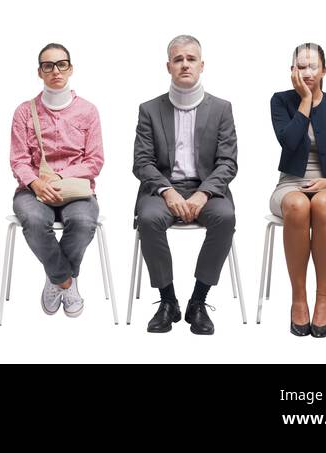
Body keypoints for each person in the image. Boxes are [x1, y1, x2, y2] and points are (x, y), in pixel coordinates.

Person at [133, 35, 238, 335]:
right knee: (150, 219)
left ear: (202, 65)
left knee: (225, 218)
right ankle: (168, 301)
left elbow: (228, 163)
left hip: (207, 188)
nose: (185, 64)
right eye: (178, 59)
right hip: (162, 188)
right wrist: (168, 192)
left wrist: (204, 193)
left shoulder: (221, 108)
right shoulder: (149, 110)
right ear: (168, 66)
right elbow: (142, 162)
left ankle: (198, 301)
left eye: (191, 59)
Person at [9, 43, 104, 318]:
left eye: (61, 64)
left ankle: (54, 278)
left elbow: (95, 161)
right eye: (48, 66)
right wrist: (38, 184)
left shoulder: (88, 111)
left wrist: (61, 178)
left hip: (76, 189)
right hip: (33, 189)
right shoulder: (24, 112)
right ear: (40, 72)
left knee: (84, 221)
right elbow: (18, 160)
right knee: (35, 220)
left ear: (70, 68)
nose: (55, 71)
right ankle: (65, 280)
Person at [269, 43, 326, 338]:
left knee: (320, 204)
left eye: (313, 66)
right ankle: (298, 298)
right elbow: (289, 143)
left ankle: (323, 298)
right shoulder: (280, 101)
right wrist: (305, 100)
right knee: (297, 205)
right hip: (291, 182)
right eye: (301, 66)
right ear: (292, 70)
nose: (307, 72)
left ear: (324, 70)